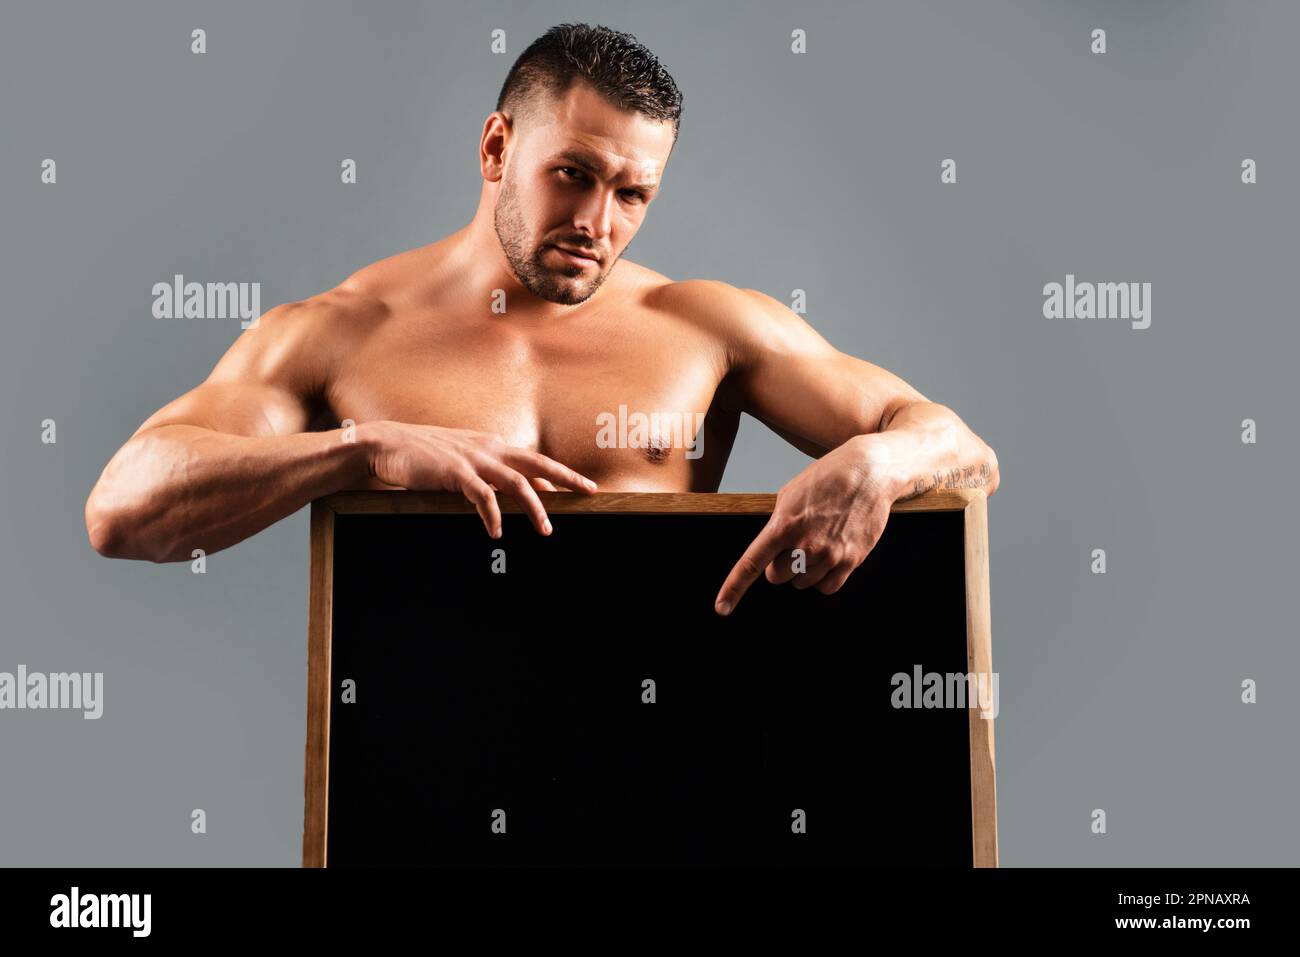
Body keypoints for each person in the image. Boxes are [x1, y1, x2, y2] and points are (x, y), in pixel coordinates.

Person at [85, 23, 999, 615]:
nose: (600, 224)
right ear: (497, 146)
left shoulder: (705, 325)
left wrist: (879, 463)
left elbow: (959, 445)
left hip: (666, 780)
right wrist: (364, 450)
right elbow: (122, 509)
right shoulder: (339, 331)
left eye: (633, 193)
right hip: (413, 792)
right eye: (574, 174)